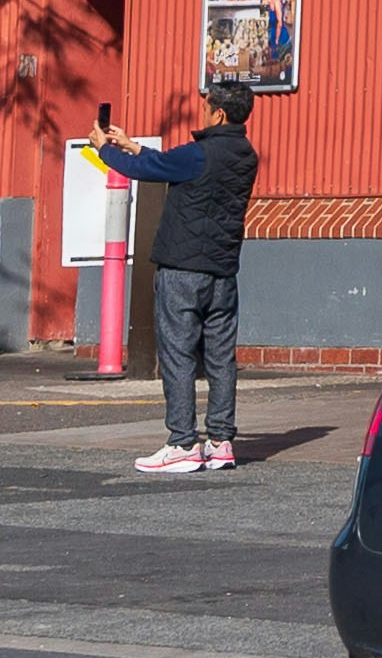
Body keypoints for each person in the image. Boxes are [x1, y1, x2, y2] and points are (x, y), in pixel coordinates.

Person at [93, 80, 262, 476]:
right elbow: (166, 163)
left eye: (206, 107)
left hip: (183, 268)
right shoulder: (246, 155)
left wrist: (103, 148)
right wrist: (134, 145)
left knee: (178, 354)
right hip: (222, 270)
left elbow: (145, 170)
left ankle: (182, 442)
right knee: (221, 357)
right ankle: (220, 441)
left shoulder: (201, 153)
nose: (202, 112)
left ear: (218, 113)